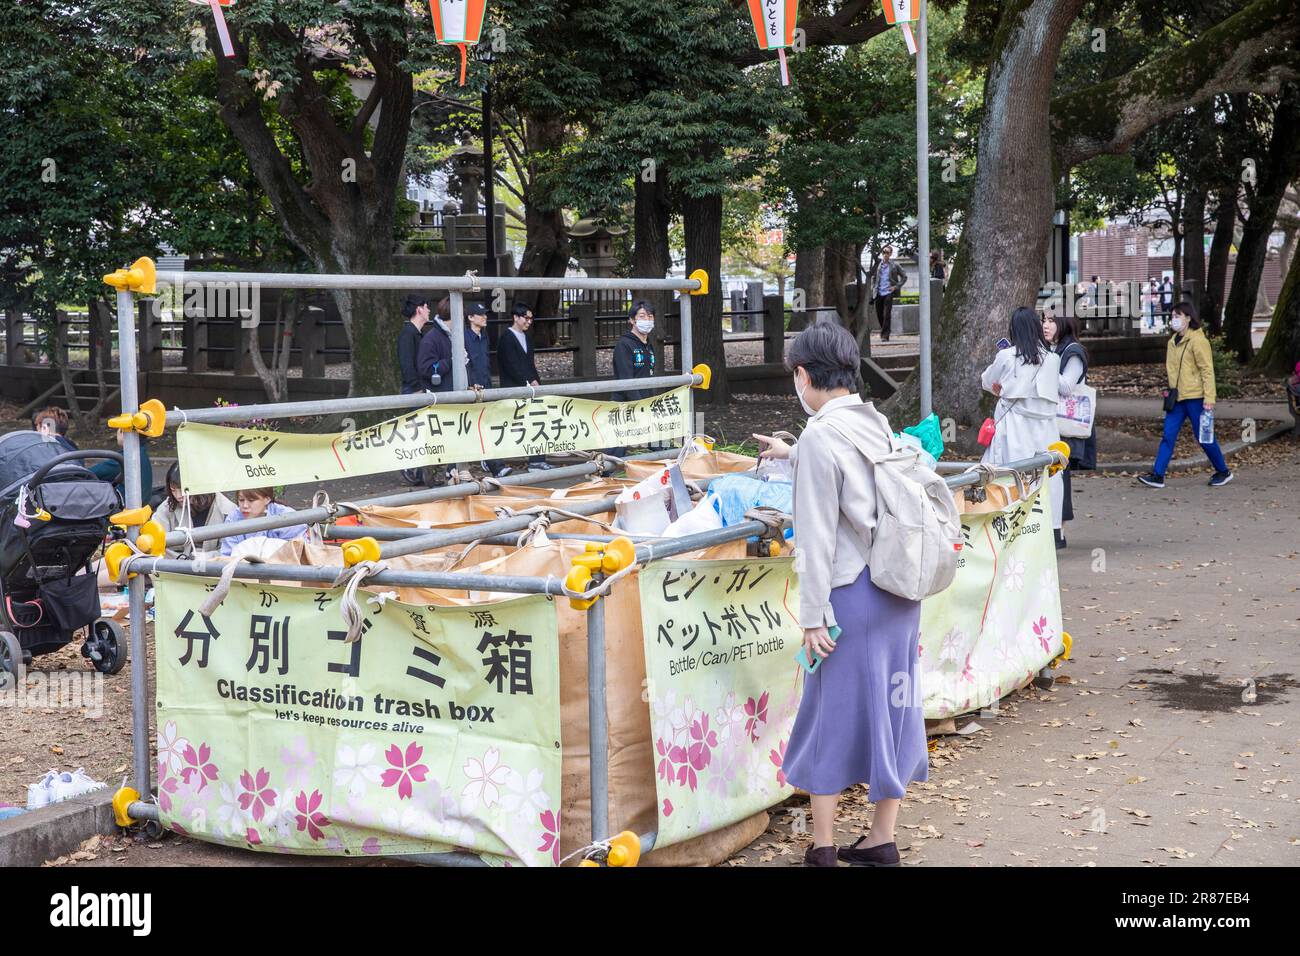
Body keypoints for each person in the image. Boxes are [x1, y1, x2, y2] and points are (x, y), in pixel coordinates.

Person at [751, 323, 928, 868]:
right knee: (894, 709)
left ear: (804, 376)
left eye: (794, 378)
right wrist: (794, 451)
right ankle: (881, 838)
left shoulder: (819, 438)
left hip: (851, 596)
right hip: (899, 592)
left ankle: (822, 845)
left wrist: (812, 617)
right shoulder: (877, 423)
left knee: (829, 712)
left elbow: (815, 539)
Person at [1137, 300, 1231, 488]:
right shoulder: (1173, 342)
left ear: (1188, 318)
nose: (1174, 320)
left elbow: (1207, 370)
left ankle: (1223, 471)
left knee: (1204, 438)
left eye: (1177, 316)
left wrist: (1209, 398)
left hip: (1196, 398)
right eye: (1172, 316)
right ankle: (1158, 475)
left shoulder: (1198, 340)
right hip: (1177, 398)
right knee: (1168, 436)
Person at [980, 306, 1063, 521]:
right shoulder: (1053, 359)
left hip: (1014, 426)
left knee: (1010, 475)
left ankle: (1008, 520)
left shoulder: (1007, 356)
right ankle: (1047, 524)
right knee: (1044, 477)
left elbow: (987, 380)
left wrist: (999, 388)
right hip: (1046, 429)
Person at [1042, 312, 1094, 549]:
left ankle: (1058, 531)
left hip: (1067, 424)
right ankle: (1056, 530)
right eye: (1044, 320)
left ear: (1064, 323)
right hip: (1056, 422)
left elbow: (1066, 386)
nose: (1045, 325)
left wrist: (1046, 364)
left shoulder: (1073, 352)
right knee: (1057, 474)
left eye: (1051, 320)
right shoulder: (1056, 350)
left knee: (1059, 474)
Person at [497, 302, 552, 471]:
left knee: (536, 422)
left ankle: (537, 459)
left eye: (531, 319)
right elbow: (511, 365)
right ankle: (495, 461)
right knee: (512, 425)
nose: (529, 321)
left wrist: (535, 380)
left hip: (529, 387)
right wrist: (529, 380)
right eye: (526, 318)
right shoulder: (506, 337)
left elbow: (529, 363)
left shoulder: (527, 337)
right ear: (516, 317)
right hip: (514, 387)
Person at [464, 302, 510, 478]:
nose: (485, 317)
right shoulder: (464, 337)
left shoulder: (483, 336)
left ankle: (495, 465)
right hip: (471, 390)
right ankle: (492, 464)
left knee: (486, 426)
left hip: (485, 386)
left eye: (485, 314)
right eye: (480, 314)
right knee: (472, 428)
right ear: (470, 317)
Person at [153, 462, 238, 558]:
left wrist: (205, 558)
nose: (178, 496)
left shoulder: (228, 510)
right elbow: (154, 543)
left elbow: (230, 550)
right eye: (173, 490)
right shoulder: (168, 506)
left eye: (183, 490)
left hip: (214, 569)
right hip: (173, 567)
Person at [608, 301, 658, 458]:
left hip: (646, 402)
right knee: (615, 451)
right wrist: (640, 407)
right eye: (642, 316)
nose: (647, 320)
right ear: (632, 320)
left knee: (659, 443)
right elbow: (626, 379)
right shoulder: (624, 345)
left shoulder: (648, 345)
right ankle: (602, 476)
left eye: (650, 316)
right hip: (625, 405)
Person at [396, 294, 430, 486]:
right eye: (426, 307)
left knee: (419, 428)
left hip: (419, 387)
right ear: (419, 309)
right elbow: (406, 363)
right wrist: (416, 387)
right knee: (412, 428)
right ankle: (408, 465)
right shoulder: (408, 334)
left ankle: (418, 470)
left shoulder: (416, 333)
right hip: (414, 388)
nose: (428, 311)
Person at [219, 488, 307, 557]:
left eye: (251, 500)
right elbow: (227, 555)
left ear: (267, 499)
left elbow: (297, 553)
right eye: (241, 500)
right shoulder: (233, 517)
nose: (245, 506)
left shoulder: (287, 517)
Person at [90, 428, 153, 507]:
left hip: (122, 508)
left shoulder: (127, 457)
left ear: (122, 432)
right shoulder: (140, 452)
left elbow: (91, 472)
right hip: (140, 505)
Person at [868, 246, 907, 342]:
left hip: (889, 292)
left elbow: (904, 277)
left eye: (887, 252)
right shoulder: (878, 265)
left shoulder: (895, 265)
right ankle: (886, 330)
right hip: (878, 293)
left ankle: (884, 336)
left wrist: (895, 287)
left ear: (890, 254)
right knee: (879, 315)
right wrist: (873, 288)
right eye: (883, 252)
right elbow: (873, 277)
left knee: (886, 315)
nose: (885, 254)